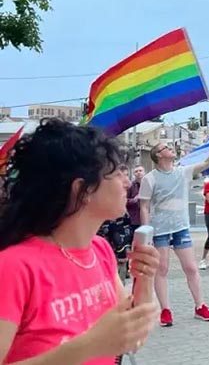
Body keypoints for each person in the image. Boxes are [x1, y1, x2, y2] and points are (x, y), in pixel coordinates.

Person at [0, 119, 159, 363]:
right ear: (81, 190)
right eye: (117, 173)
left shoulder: (100, 250)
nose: (127, 183)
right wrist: (86, 346)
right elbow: (97, 343)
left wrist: (144, 279)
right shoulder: (13, 267)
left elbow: (132, 340)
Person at [139, 134, 209, 327]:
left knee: (191, 268)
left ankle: (200, 306)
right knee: (162, 269)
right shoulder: (149, 179)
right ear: (158, 155)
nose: (170, 148)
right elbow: (144, 206)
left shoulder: (183, 172)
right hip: (160, 229)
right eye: (165, 147)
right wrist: (146, 232)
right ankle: (165, 310)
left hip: (181, 228)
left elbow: (206, 163)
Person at [127, 165, 145, 231]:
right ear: (134, 174)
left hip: (149, 218)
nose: (138, 172)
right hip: (135, 220)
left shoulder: (150, 184)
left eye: (140, 171)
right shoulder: (130, 186)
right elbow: (123, 201)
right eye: (136, 171)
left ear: (144, 172)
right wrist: (134, 200)